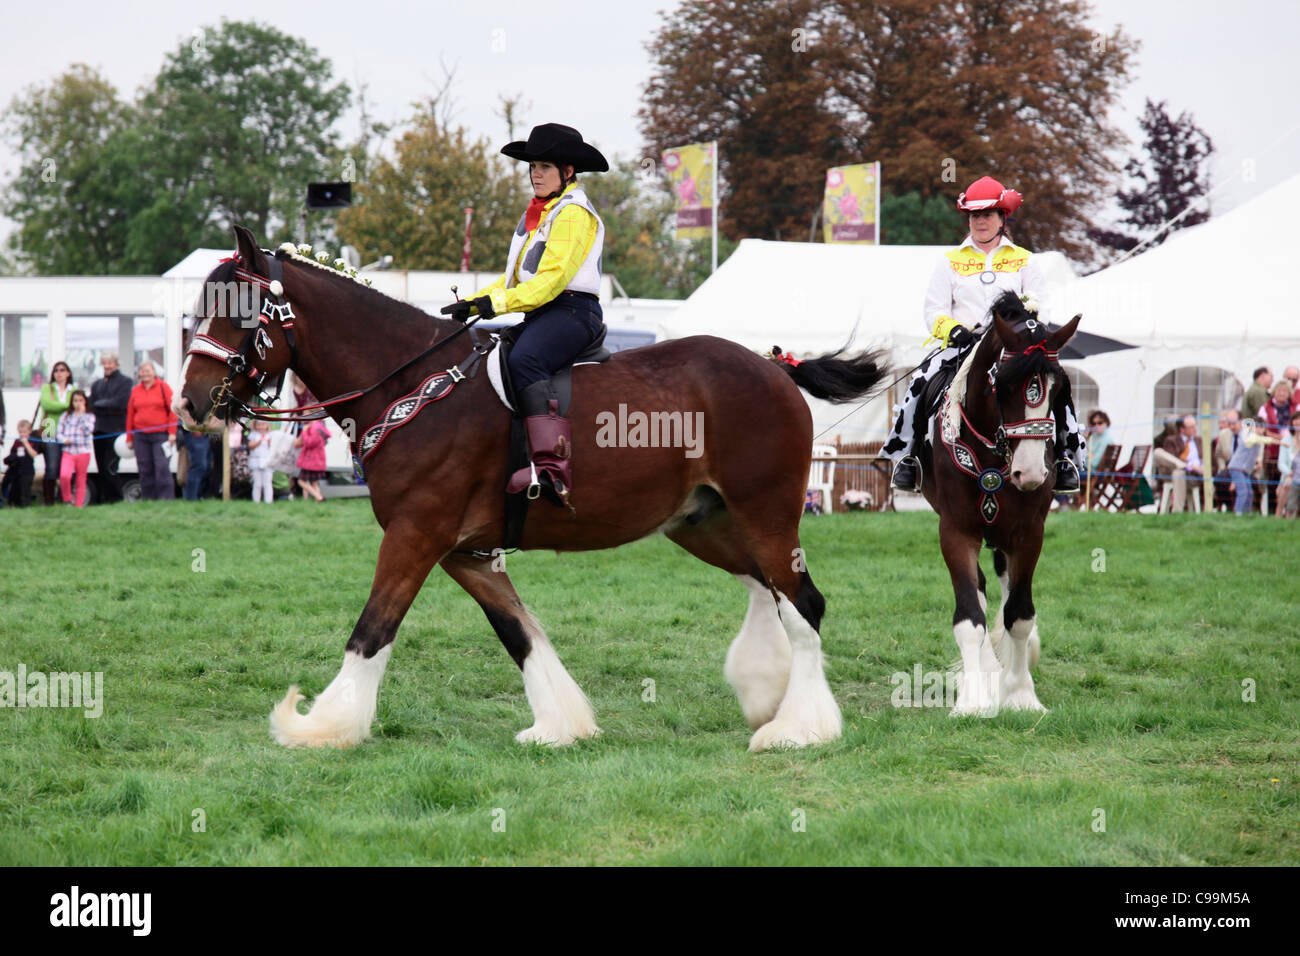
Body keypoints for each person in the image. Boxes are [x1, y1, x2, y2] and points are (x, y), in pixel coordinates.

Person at [440, 123, 609, 507]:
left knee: (525, 359)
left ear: (568, 172)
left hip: (572, 311)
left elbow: (550, 282)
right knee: (489, 360)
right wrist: (472, 302)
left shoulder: (572, 214)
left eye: (545, 166)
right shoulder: (539, 213)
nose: (535, 173)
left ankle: (552, 471)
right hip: (545, 311)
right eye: (533, 166)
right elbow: (514, 279)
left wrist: (494, 306)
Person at [885, 176, 1084, 493]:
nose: (980, 221)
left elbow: (1041, 308)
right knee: (920, 381)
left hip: (1014, 351)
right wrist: (954, 330)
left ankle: (1064, 458)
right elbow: (933, 311)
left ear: (1002, 218)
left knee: (1057, 385)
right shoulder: (950, 261)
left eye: (987, 214)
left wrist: (1023, 332)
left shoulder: (1024, 259)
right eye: (974, 215)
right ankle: (907, 457)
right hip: (961, 348)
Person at [125, 361, 178, 500]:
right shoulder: (135, 390)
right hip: (140, 436)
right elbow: (130, 414)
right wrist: (129, 438)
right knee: (144, 468)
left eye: (148, 370)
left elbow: (173, 411)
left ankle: (165, 500)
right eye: (142, 371)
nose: (145, 373)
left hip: (161, 435)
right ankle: (148, 499)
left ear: (154, 372)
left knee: (161, 467)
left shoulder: (163, 387)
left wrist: (172, 432)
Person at [89, 351, 133, 502]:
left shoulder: (126, 382)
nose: (107, 366)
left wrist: (101, 404)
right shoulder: (97, 384)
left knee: (110, 467)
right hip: (99, 430)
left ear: (116, 364)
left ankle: (115, 498)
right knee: (101, 466)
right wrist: (104, 405)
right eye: (105, 363)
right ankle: (104, 498)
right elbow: (91, 404)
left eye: (110, 363)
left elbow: (121, 402)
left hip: (115, 430)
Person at [36, 360, 74, 506]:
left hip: (68, 431)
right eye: (56, 370)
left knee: (66, 468)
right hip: (49, 427)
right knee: (51, 466)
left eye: (62, 370)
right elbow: (47, 405)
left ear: (68, 373)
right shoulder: (47, 388)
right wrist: (67, 405)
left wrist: (64, 407)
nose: (59, 373)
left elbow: (77, 406)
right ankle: (49, 501)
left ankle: (65, 499)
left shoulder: (73, 389)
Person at [1153, 414, 1204, 512]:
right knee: (1158, 453)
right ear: (1182, 429)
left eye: (1195, 425)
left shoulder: (1200, 441)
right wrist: (1189, 465)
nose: (1195, 429)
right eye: (1191, 427)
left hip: (1196, 475)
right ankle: (1177, 513)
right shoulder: (1171, 441)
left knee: (1179, 472)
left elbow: (1211, 462)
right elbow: (1172, 459)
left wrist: (1202, 468)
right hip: (1177, 471)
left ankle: (1177, 512)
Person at [1257, 379, 1293, 512]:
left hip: (1291, 447)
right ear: (1273, 392)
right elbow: (1262, 428)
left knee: (1290, 477)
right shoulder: (1265, 408)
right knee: (1273, 479)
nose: (1281, 393)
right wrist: (1278, 437)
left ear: (1289, 394)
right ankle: (1273, 509)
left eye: (1284, 391)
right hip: (1272, 449)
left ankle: (1289, 509)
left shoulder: (1295, 407)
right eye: (1279, 390)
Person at [56, 390, 95, 508]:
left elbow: (89, 431)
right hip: (68, 451)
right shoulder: (66, 416)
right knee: (64, 475)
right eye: (75, 401)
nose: (77, 403)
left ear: (85, 402)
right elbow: (59, 433)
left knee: (81, 478)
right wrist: (63, 439)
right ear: (71, 402)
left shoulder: (89, 416)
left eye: (80, 401)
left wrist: (82, 416)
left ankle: (78, 504)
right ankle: (67, 499)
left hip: (83, 451)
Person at [2, 420, 38, 507]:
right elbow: (12, 453)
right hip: (16, 469)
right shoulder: (17, 442)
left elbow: (34, 454)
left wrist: (26, 444)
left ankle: (26, 506)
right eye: (20, 432)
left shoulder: (33, 441)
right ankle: (11, 503)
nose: (22, 434)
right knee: (14, 488)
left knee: (25, 490)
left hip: (27, 470)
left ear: (29, 431)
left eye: (24, 432)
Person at [1213, 409, 1242, 511]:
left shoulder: (1250, 435)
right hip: (1229, 468)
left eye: (1234, 424)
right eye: (1229, 424)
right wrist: (1222, 467)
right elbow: (1219, 454)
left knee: (1241, 482)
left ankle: (1242, 510)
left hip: (1246, 468)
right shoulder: (1224, 434)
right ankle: (1228, 507)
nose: (1232, 427)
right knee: (1219, 479)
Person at [294, 419, 328, 502]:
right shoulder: (320, 427)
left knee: (301, 481)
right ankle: (312, 502)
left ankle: (319, 497)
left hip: (311, 460)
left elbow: (310, 443)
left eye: (307, 414)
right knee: (314, 482)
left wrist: (304, 432)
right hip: (315, 460)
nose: (305, 417)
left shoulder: (316, 428)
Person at [247, 420, 275, 503]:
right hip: (256, 461)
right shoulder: (253, 435)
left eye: (263, 425)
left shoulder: (271, 435)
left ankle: (268, 501)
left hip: (267, 461)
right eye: (258, 425)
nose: (260, 427)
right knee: (257, 483)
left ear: (267, 425)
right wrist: (259, 442)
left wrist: (269, 442)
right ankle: (256, 501)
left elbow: (273, 448)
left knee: (268, 483)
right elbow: (250, 446)